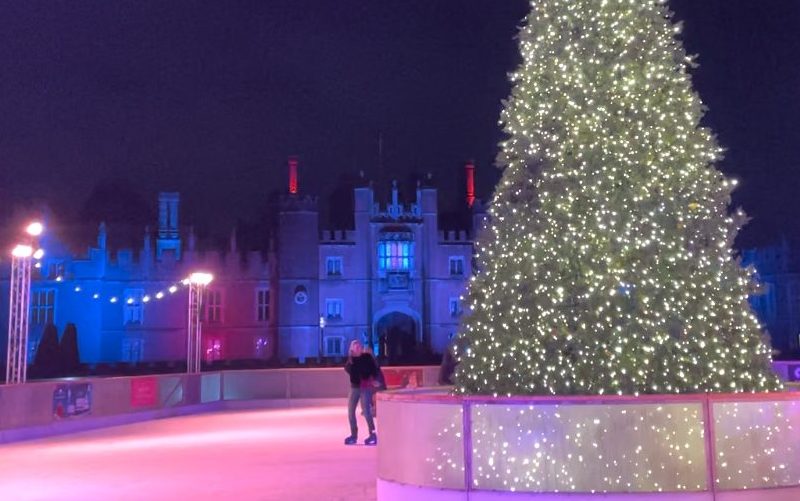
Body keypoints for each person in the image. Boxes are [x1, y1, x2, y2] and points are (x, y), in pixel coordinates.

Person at [344, 340, 380, 445]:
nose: (358, 347)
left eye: (359, 345)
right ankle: (353, 435)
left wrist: (372, 379)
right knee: (351, 412)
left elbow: (374, 369)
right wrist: (352, 359)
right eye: (355, 346)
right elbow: (350, 371)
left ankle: (372, 434)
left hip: (365, 387)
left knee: (367, 412)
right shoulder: (350, 361)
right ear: (352, 349)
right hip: (354, 388)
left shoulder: (367, 357)